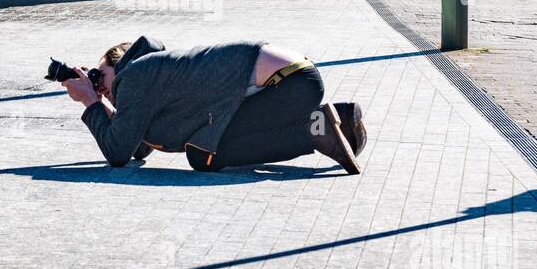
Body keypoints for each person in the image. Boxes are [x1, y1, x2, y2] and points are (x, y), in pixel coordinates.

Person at [61, 37, 367, 175]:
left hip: (291, 84)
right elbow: (135, 147)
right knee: (202, 150)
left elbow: (117, 154)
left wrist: (90, 100)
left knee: (204, 154)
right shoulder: (149, 74)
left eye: (100, 75)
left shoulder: (136, 76)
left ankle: (314, 130)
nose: (98, 83)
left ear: (121, 64)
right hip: (296, 80)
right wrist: (100, 101)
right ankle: (335, 119)